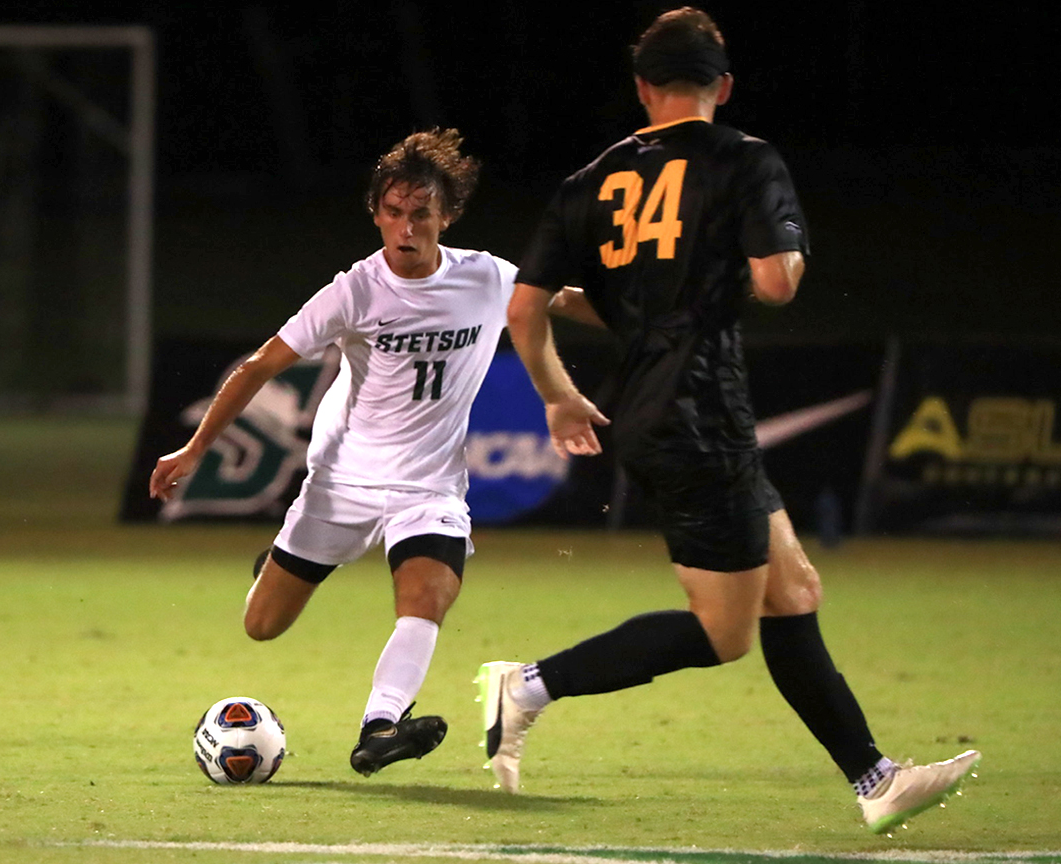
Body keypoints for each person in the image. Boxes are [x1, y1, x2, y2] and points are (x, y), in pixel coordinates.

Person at [478, 7, 979, 834]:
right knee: (726, 633)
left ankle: (875, 779)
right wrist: (746, 268)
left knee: (796, 591)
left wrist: (557, 394)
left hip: (670, 412)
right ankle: (529, 685)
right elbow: (778, 282)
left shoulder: (591, 179)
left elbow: (528, 306)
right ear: (725, 86)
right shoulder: (745, 160)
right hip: (697, 416)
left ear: (643, 89)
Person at [151, 129, 514, 777]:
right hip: (343, 482)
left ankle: (379, 728)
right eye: (394, 213)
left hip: (428, 486)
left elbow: (556, 303)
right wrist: (194, 448)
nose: (406, 228)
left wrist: (643, 313)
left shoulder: (487, 278)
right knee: (262, 626)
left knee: (426, 599)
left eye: (421, 214)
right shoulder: (355, 291)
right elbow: (260, 366)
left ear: (447, 216)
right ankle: (277, 563)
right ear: (376, 213)